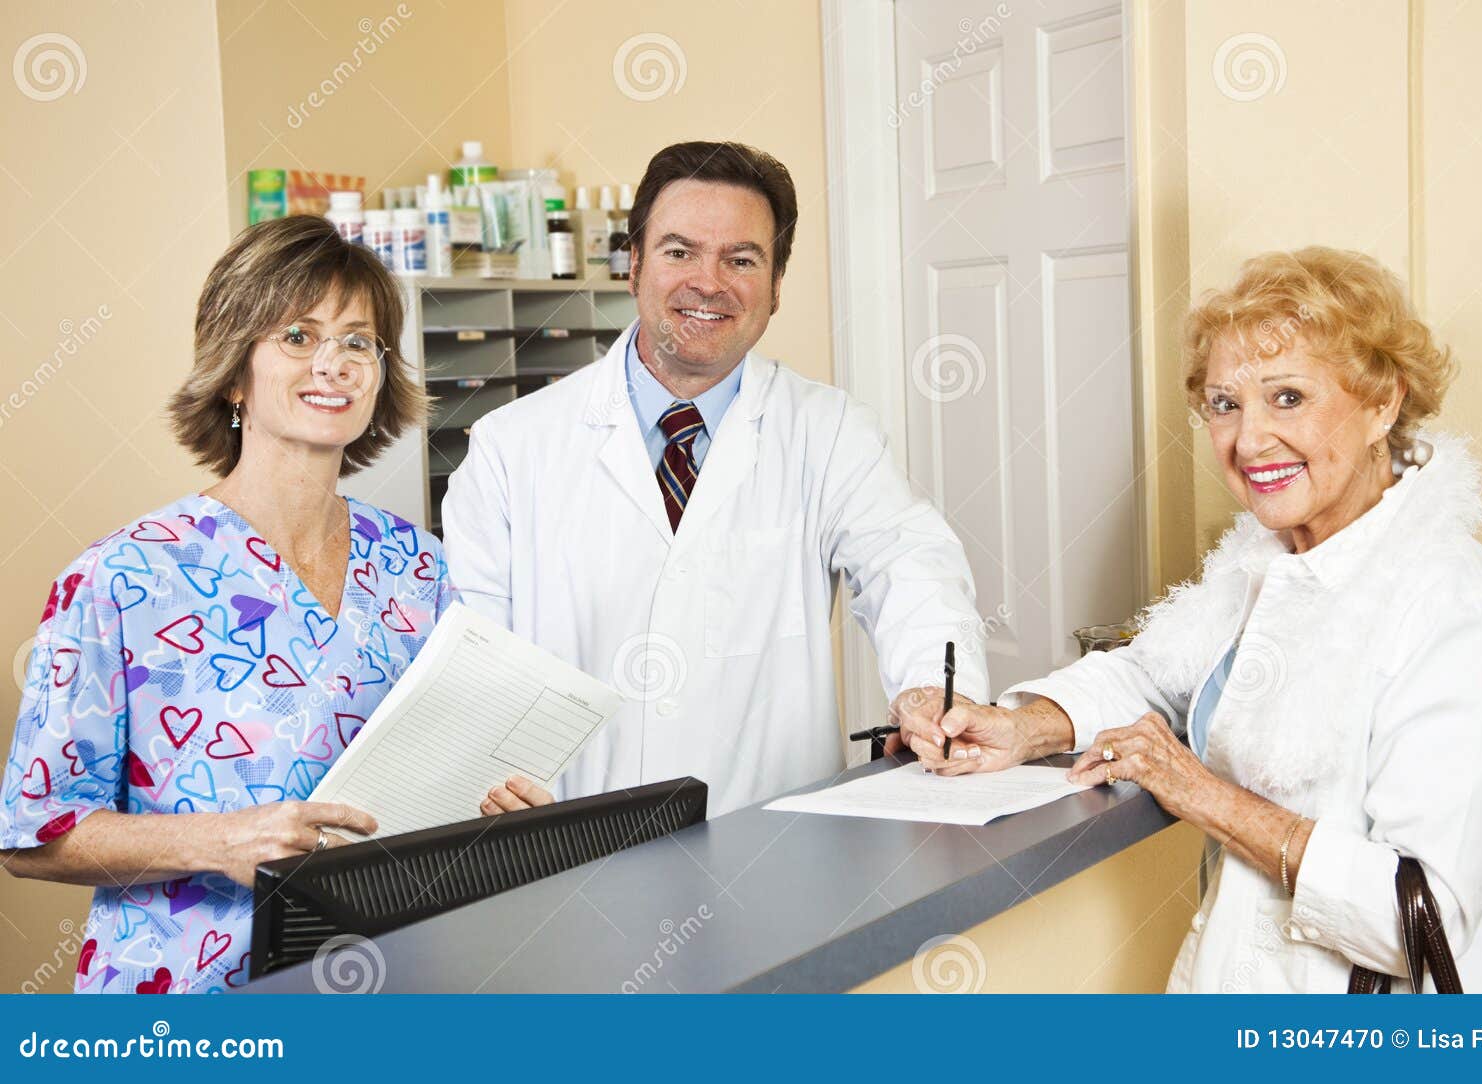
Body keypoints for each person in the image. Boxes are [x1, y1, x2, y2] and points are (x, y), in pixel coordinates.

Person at [895, 248, 1482, 992]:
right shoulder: (1270, 561)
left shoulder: (1456, 613)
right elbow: (1160, 677)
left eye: (1288, 397)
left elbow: (1417, 918)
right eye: (1224, 404)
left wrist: (1203, 794)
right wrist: (1023, 726)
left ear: (1382, 404)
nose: (1248, 440)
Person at [445, 141, 990, 818]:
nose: (708, 282)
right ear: (634, 264)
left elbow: (909, 567)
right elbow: (475, 661)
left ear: (776, 286)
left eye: (741, 259)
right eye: (679, 252)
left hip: (770, 837)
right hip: (568, 839)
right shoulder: (510, 446)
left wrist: (934, 697)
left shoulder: (829, 431)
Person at [1, 215, 455, 993]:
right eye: (298, 337)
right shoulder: (123, 576)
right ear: (235, 373)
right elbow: (32, 835)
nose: (334, 364)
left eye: (358, 342)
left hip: (377, 981)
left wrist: (492, 805)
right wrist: (220, 841)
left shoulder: (415, 564)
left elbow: (432, 769)